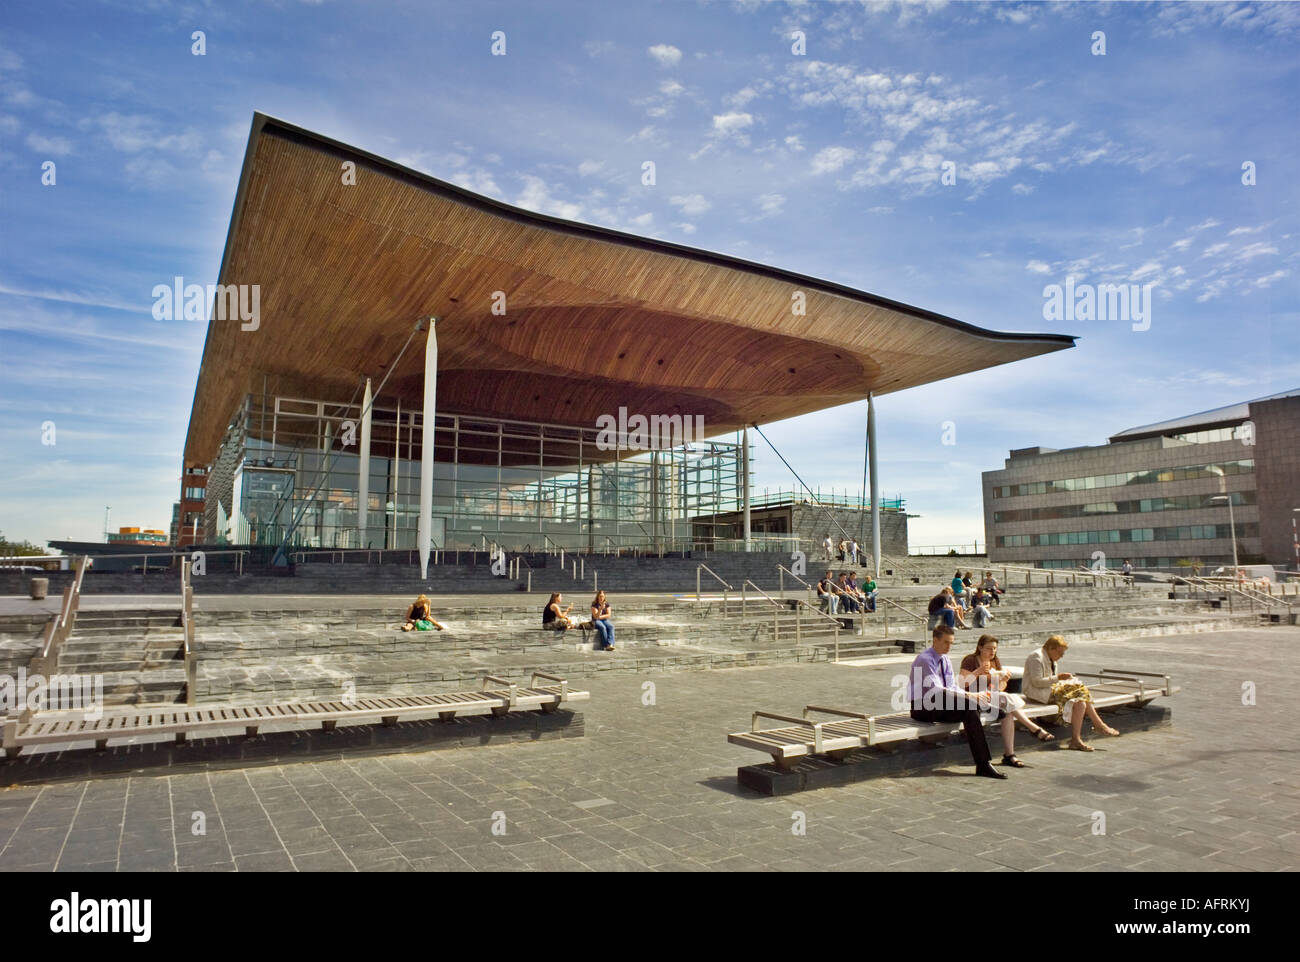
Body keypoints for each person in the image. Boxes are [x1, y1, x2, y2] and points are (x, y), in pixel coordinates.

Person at [907, 624, 1008, 779]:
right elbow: (938, 690)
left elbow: (952, 686)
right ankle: (984, 707)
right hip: (922, 707)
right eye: (946, 642)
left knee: (969, 712)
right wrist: (971, 697)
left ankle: (983, 764)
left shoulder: (945, 659)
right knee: (967, 703)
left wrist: (972, 695)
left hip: (941, 705)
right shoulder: (925, 659)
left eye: (951, 643)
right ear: (935, 640)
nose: (949, 646)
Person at [959, 634, 1056, 767]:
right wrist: (978, 671)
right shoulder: (970, 660)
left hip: (990, 699)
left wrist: (1003, 680)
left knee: (1008, 712)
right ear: (980, 647)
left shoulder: (995, 661)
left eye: (994, 648)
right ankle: (1034, 728)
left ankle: (1009, 755)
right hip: (971, 700)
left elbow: (998, 689)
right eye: (989, 648)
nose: (992, 652)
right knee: (1007, 701)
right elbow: (962, 684)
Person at [1023, 635, 1120, 751]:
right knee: (1080, 691)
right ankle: (1099, 725)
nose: (1060, 657)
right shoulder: (1036, 657)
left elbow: (1052, 681)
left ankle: (1076, 739)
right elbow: (1036, 682)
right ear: (1051, 648)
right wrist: (1059, 677)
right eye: (1060, 653)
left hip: (1050, 690)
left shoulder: (1051, 658)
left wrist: (1063, 680)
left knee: (1081, 703)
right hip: (1036, 692)